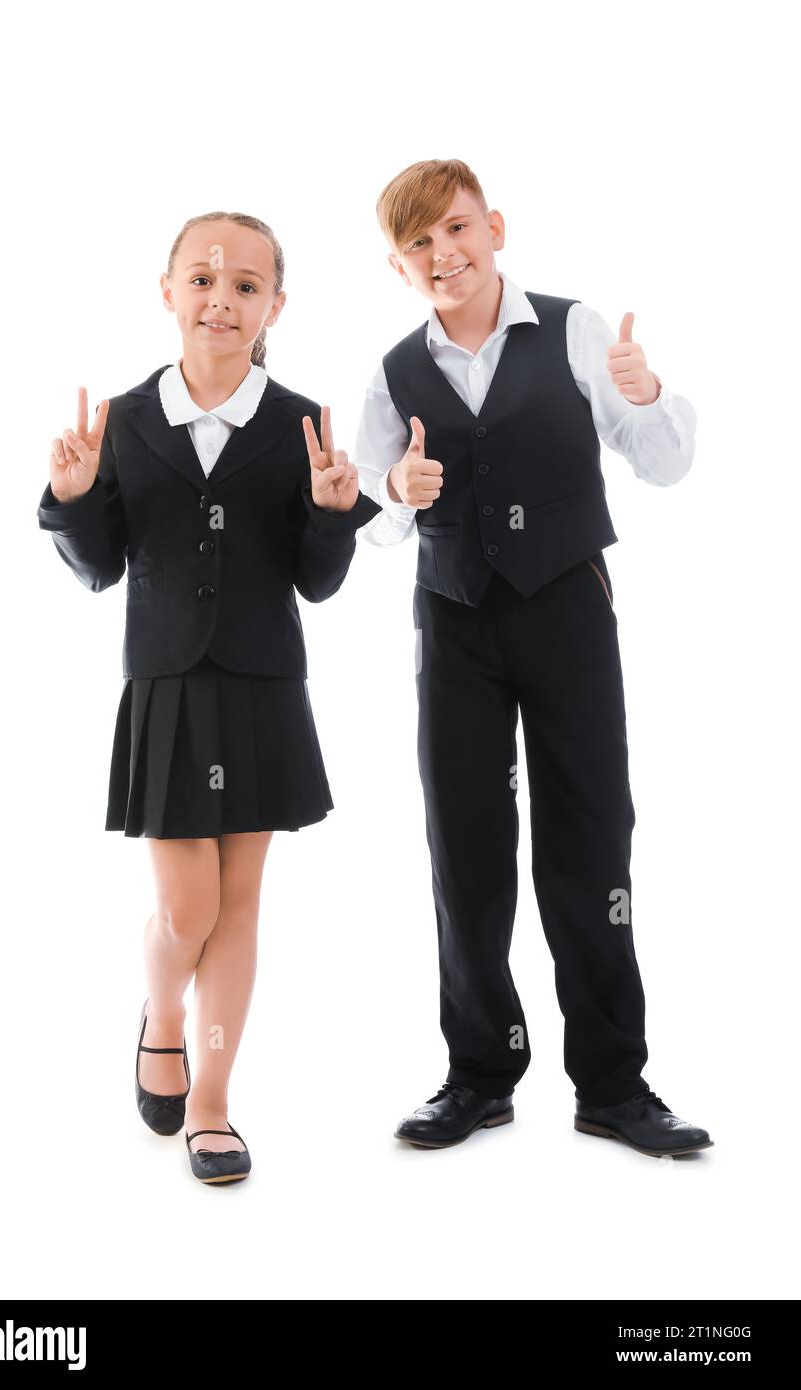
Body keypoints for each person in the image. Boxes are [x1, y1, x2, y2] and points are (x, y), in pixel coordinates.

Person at [353, 158, 713, 1159]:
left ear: (494, 226)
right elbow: (365, 516)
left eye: (456, 229)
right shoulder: (391, 371)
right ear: (398, 267)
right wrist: (397, 488)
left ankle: (611, 1082)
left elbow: (665, 463)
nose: (443, 254)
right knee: (463, 847)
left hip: (565, 607)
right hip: (455, 617)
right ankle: (478, 1073)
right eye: (418, 244)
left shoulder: (574, 330)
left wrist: (644, 398)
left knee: (589, 836)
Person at [37, 211, 381, 1184]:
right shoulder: (124, 420)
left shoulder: (299, 422)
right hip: (168, 687)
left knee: (240, 907)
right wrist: (71, 497)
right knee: (186, 911)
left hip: (264, 683)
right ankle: (163, 1014)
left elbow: (316, 583)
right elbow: (99, 568)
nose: (219, 301)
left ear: (274, 304)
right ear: (167, 291)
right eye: (201, 279)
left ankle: (216, 1103)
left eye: (242, 286)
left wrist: (329, 516)